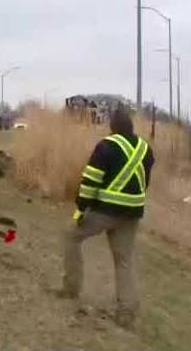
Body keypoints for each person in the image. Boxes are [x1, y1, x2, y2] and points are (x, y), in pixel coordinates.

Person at [61, 106, 155, 328]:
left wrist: (82, 209)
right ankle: (126, 314)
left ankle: (71, 288)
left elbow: (91, 181)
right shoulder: (145, 149)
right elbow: (145, 182)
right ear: (130, 126)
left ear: (112, 127)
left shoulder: (106, 146)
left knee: (71, 237)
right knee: (124, 260)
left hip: (105, 211)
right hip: (132, 213)